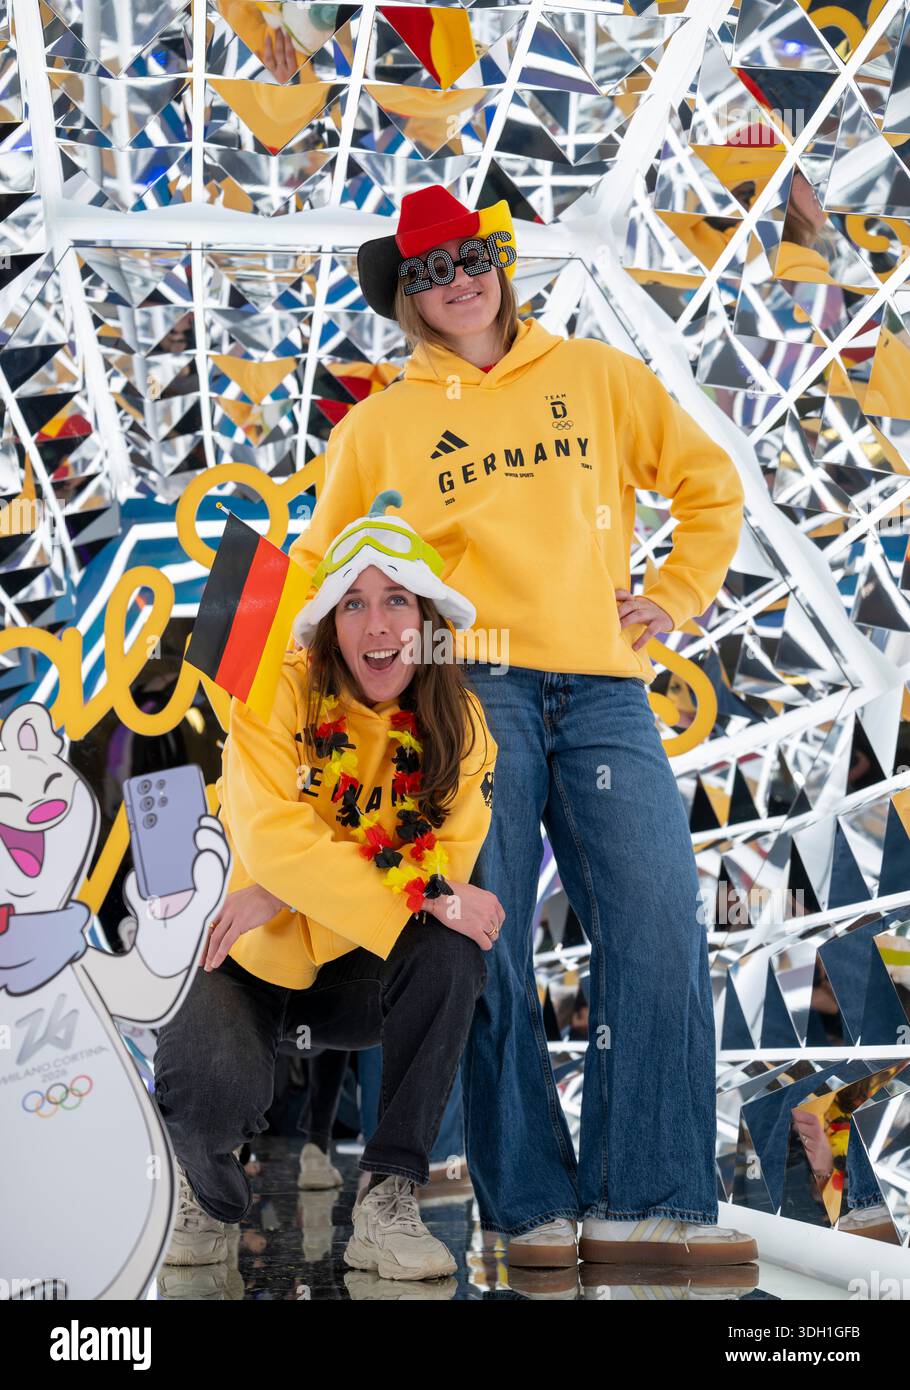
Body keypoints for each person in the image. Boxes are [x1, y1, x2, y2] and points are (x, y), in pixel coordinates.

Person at [288, 184, 757, 1268]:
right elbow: (325, 571)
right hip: (464, 683)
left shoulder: (599, 378)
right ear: (404, 297)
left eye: (467, 258)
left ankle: (650, 1200)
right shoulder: (380, 426)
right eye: (425, 271)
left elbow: (708, 487)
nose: (453, 281)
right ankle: (528, 1211)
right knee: (481, 942)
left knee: (655, 925)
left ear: (501, 261)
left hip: (600, 684)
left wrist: (674, 597)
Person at [154, 501, 501, 1282]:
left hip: (353, 972)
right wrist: (292, 885)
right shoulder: (274, 692)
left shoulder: (465, 729)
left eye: (395, 600)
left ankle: (388, 1202)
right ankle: (207, 1200)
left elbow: (442, 865)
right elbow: (270, 836)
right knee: (209, 1078)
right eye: (353, 603)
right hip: (238, 950)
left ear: (428, 619)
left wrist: (291, 891)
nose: (376, 624)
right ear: (329, 624)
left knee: (452, 948)